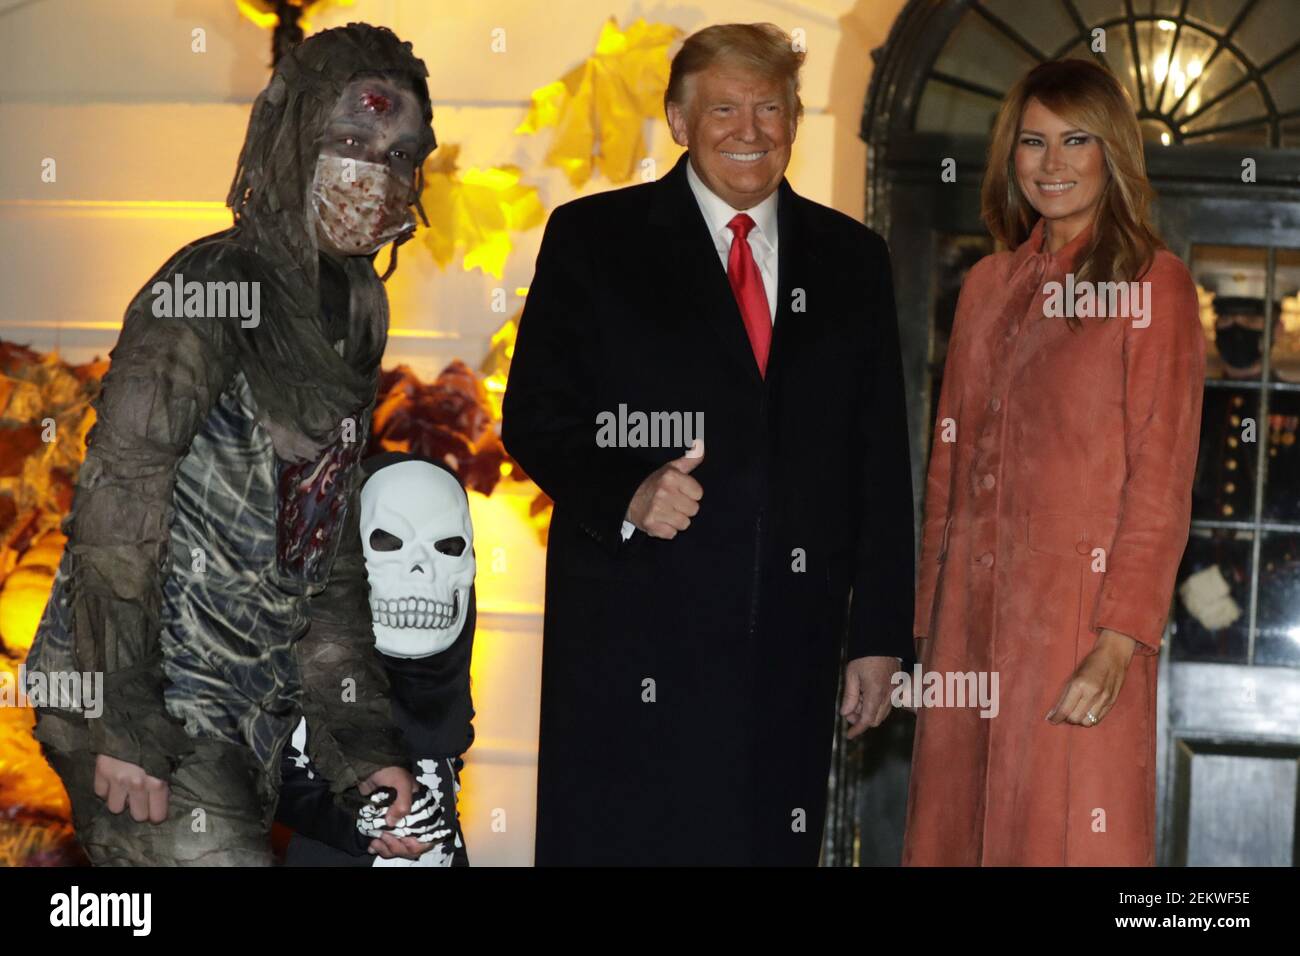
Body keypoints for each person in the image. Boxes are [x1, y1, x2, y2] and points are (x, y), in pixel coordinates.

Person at [25, 23, 440, 865]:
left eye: (402, 154)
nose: (380, 174)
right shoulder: (210, 287)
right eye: (353, 142)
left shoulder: (356, 309)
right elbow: (118, 510)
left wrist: (359, 746)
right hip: (142, 698)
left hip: (245, 707)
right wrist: (125, 723)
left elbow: (324, 553)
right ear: (292, 140)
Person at [502, 22, 915, 866]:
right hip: (631, 647)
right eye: (724, 108)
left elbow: (879, 460)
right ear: (679, 121)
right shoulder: (593, 239)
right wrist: (628, 487)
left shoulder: (853, 260)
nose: (751, 130)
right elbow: (534, 416)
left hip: (785, 651)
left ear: (795, 119)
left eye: (770, 108)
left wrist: (879, 635)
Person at [903, 59, 1206, 866]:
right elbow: (949, 465)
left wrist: (1118, 640)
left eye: (1075, 140)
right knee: (954, 839)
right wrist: (929, 629)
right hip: (969, 631)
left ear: (1113, 152)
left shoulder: (1155, 284)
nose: (1052, 163)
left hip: (1079, 631)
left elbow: (1161, 483)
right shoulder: (986, 286)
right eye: (1032, 143)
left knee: (1065, 838)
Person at [276, 454, 476, 867]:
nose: (420, 570)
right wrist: (357, 825)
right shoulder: (315, 677)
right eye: (387, 543)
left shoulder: (440, 699)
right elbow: (283, 783)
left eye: (448, 547)